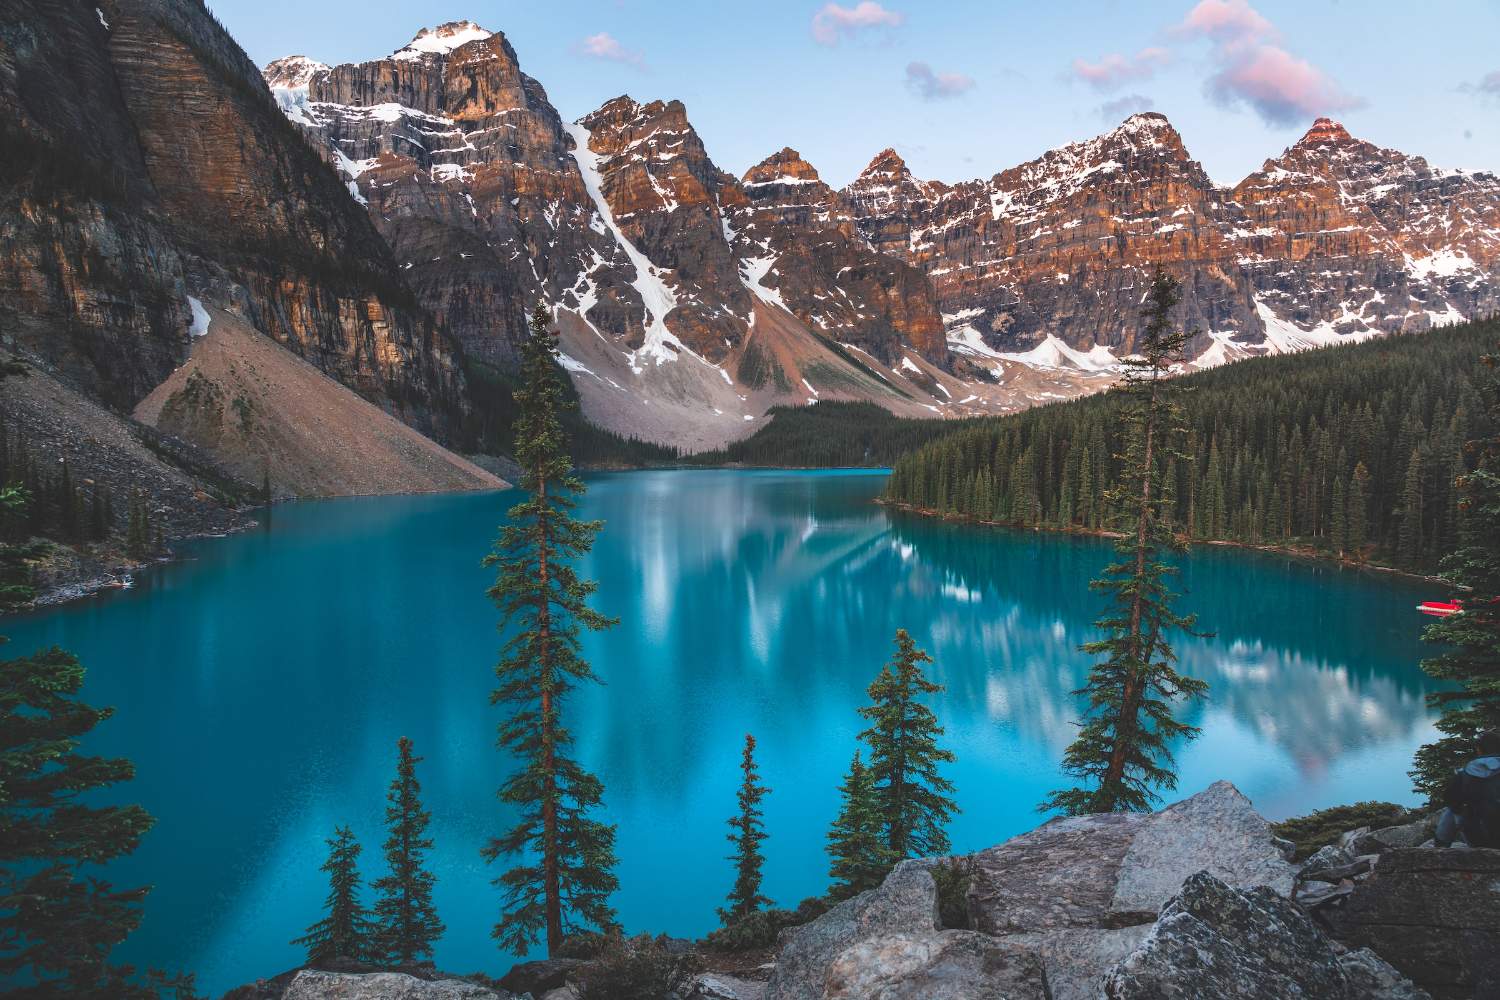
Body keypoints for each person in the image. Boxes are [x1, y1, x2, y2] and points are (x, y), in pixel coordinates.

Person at [1434, 730, 1500, 849]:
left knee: (1452, 810)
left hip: (1481, 841)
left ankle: (1439, 849)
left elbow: (1450, 799)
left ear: (1479, 750)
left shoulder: (1466, 773)